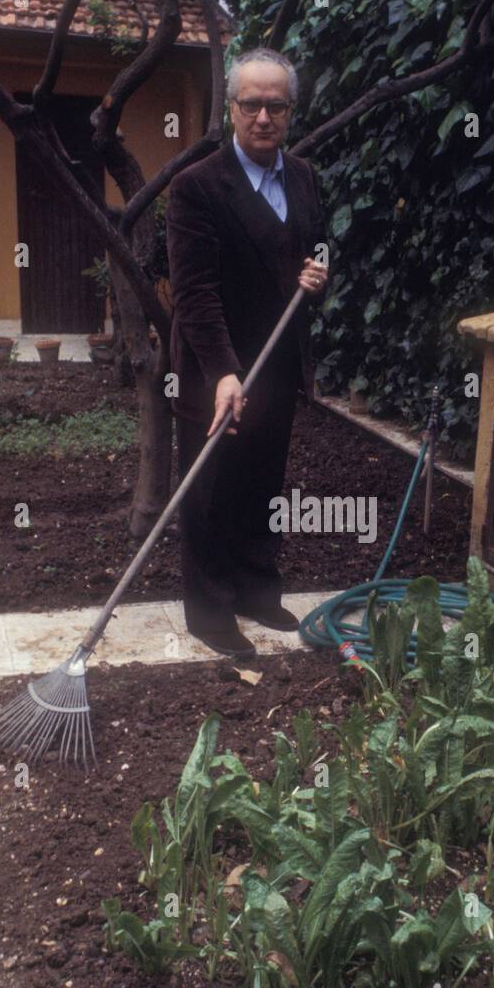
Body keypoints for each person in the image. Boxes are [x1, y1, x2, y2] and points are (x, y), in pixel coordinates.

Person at [166, 47, 329, 658]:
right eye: (251, 104)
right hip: (218, 368)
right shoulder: (196, 187)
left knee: (263, 481)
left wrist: (318, 275)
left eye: (276, 105)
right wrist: (223, 373)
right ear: (231, 108)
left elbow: (316, 252)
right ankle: (211, 611)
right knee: (211, 488)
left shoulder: (306, 178)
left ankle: (257, 590)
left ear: (291, 110)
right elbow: (194, 292)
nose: (264, 116)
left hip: (279, 365)